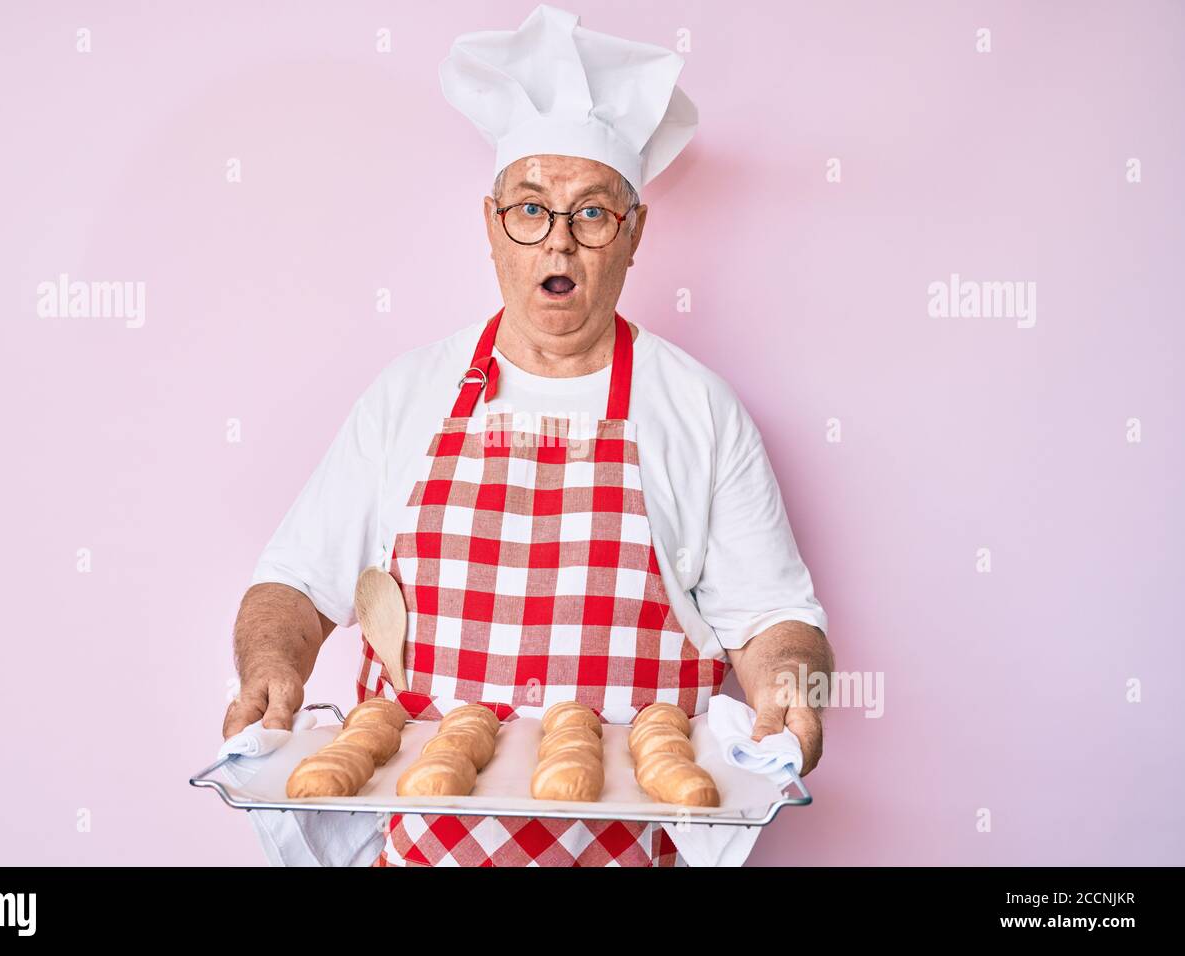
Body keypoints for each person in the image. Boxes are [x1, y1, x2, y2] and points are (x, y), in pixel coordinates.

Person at [223, 3, 832, 867]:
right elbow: (292, 583)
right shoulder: (407, 396)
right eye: (531, 209)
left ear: (633, 235)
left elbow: (777, 619)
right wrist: (269, 669)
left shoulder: (699, 409)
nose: (559, 240)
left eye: (591, 214)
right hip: (419, 849)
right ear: (491, 226)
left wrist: (792, 694)